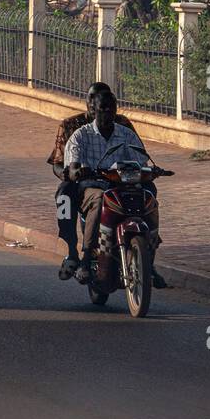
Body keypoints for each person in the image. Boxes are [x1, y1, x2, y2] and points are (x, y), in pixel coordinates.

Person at [64, 91, 162, 285]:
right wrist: (78, 171)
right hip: (93, 186)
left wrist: (153, 170)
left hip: (122, 184)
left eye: (111, 109)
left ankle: (149, 259)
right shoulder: (80, 136)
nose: (107, 114)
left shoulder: (126, 134)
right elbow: (72, 167)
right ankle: (85, 259)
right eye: (103, 109)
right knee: (100, 199)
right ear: (94, 112)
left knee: (149, 196)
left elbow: (141, 159)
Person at [47, 82, 138, 279]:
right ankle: (72, 250)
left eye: (109, 107)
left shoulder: (123, 126)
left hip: (120, 180)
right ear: (90, 104)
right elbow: (58, 161)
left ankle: (148, 253)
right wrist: (69, 173)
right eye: (95, 102)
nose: (106, 112)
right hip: (83, 180)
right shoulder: (72, 127)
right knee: (65, 195)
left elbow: (139, 155)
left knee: (148, 191)